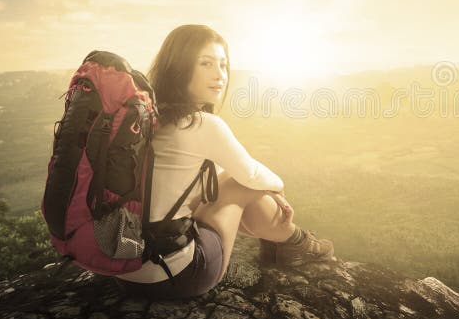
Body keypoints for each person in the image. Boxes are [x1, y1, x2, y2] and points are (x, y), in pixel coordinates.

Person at [116, 24, 334, 299]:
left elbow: (214, 177)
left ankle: (283, 242)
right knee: (242, 184)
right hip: (179, 276)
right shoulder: (201, 124)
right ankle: (294, 241)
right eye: (206, 63)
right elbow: (251, 175)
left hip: (127, 272)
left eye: (223, 64)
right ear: (179, 67)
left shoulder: (146, 120)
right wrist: (276, 188)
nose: (220, 75)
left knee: (231, 182)